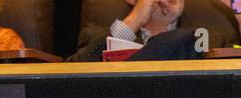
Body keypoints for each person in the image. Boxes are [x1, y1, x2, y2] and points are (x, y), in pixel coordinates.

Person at [68, 0, 205, 62]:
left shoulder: (212, 35)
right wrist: (134, 21)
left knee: (180, 38)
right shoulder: (95, 36)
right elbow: (70, 76)